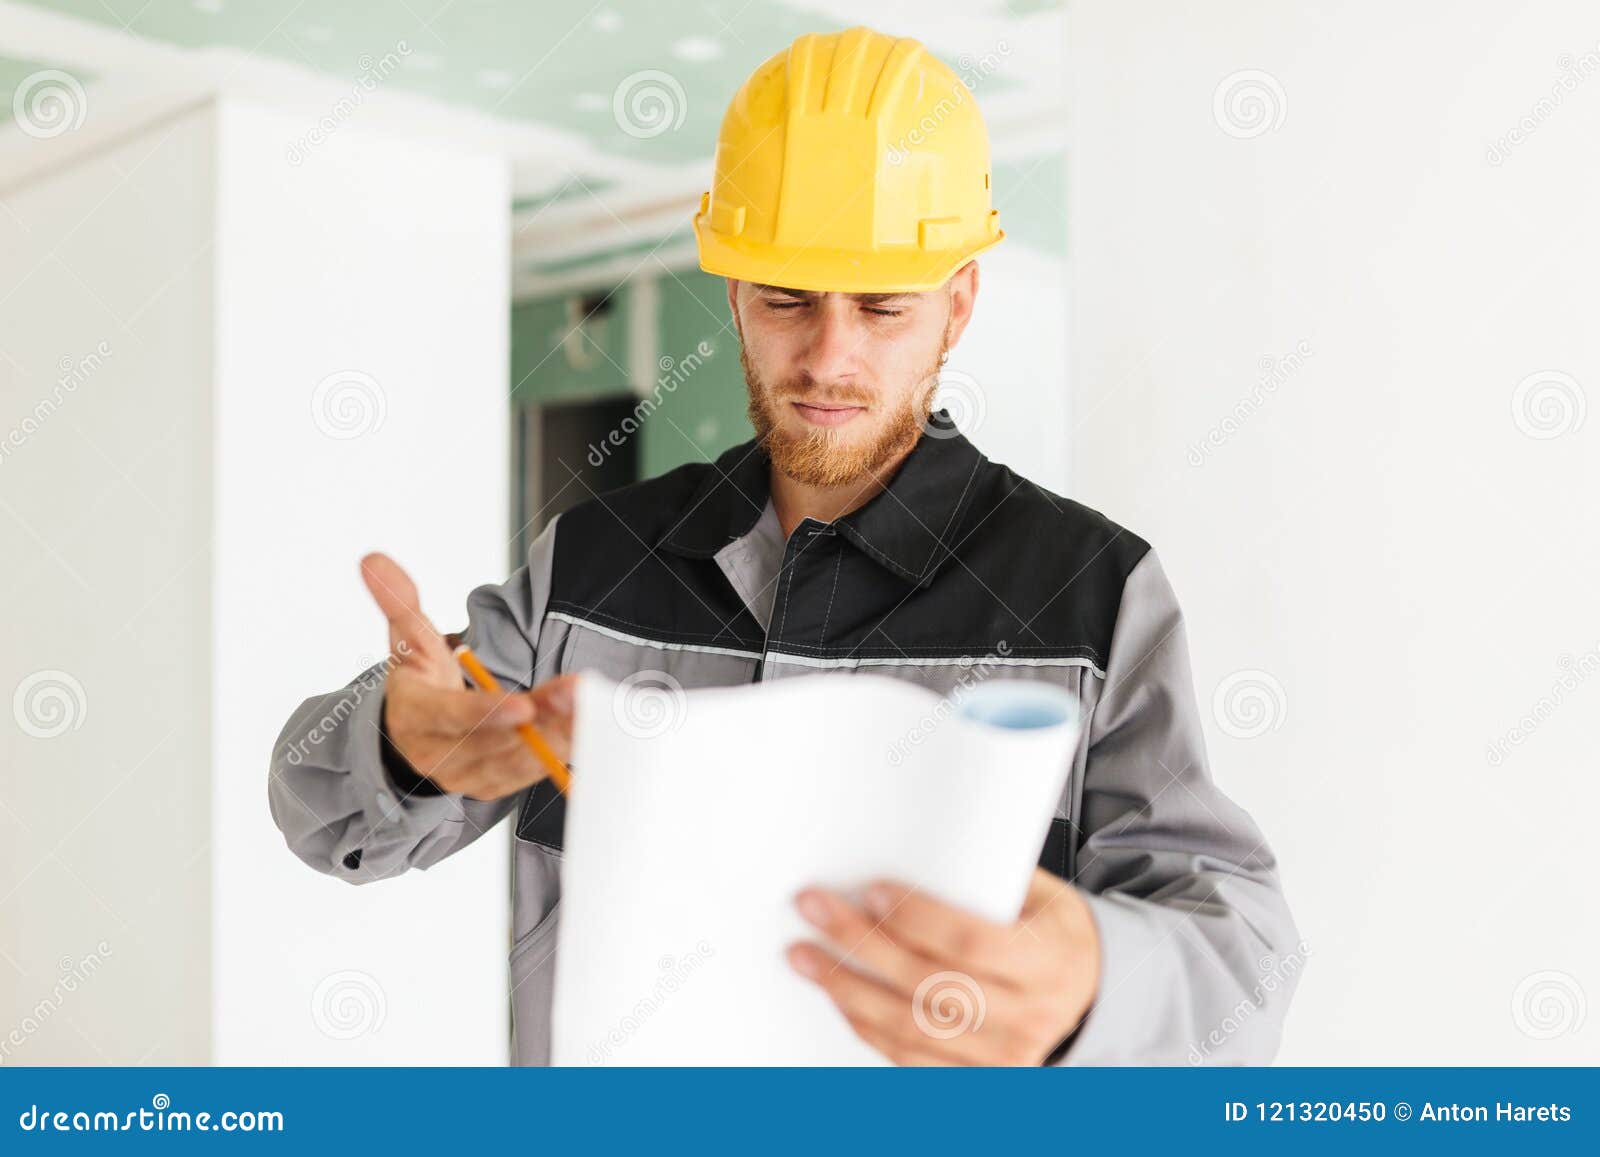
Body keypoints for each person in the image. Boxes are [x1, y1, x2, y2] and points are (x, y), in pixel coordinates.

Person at [269, 26, 1299, 1066]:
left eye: (882, 307)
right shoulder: (587, 563)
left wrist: (1096, 983)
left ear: (958, 306)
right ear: (733, 297)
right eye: (786, 299)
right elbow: (318, 811)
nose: (828, 355)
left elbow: (1242, 958)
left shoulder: (1091, 589)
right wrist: (398, 746)